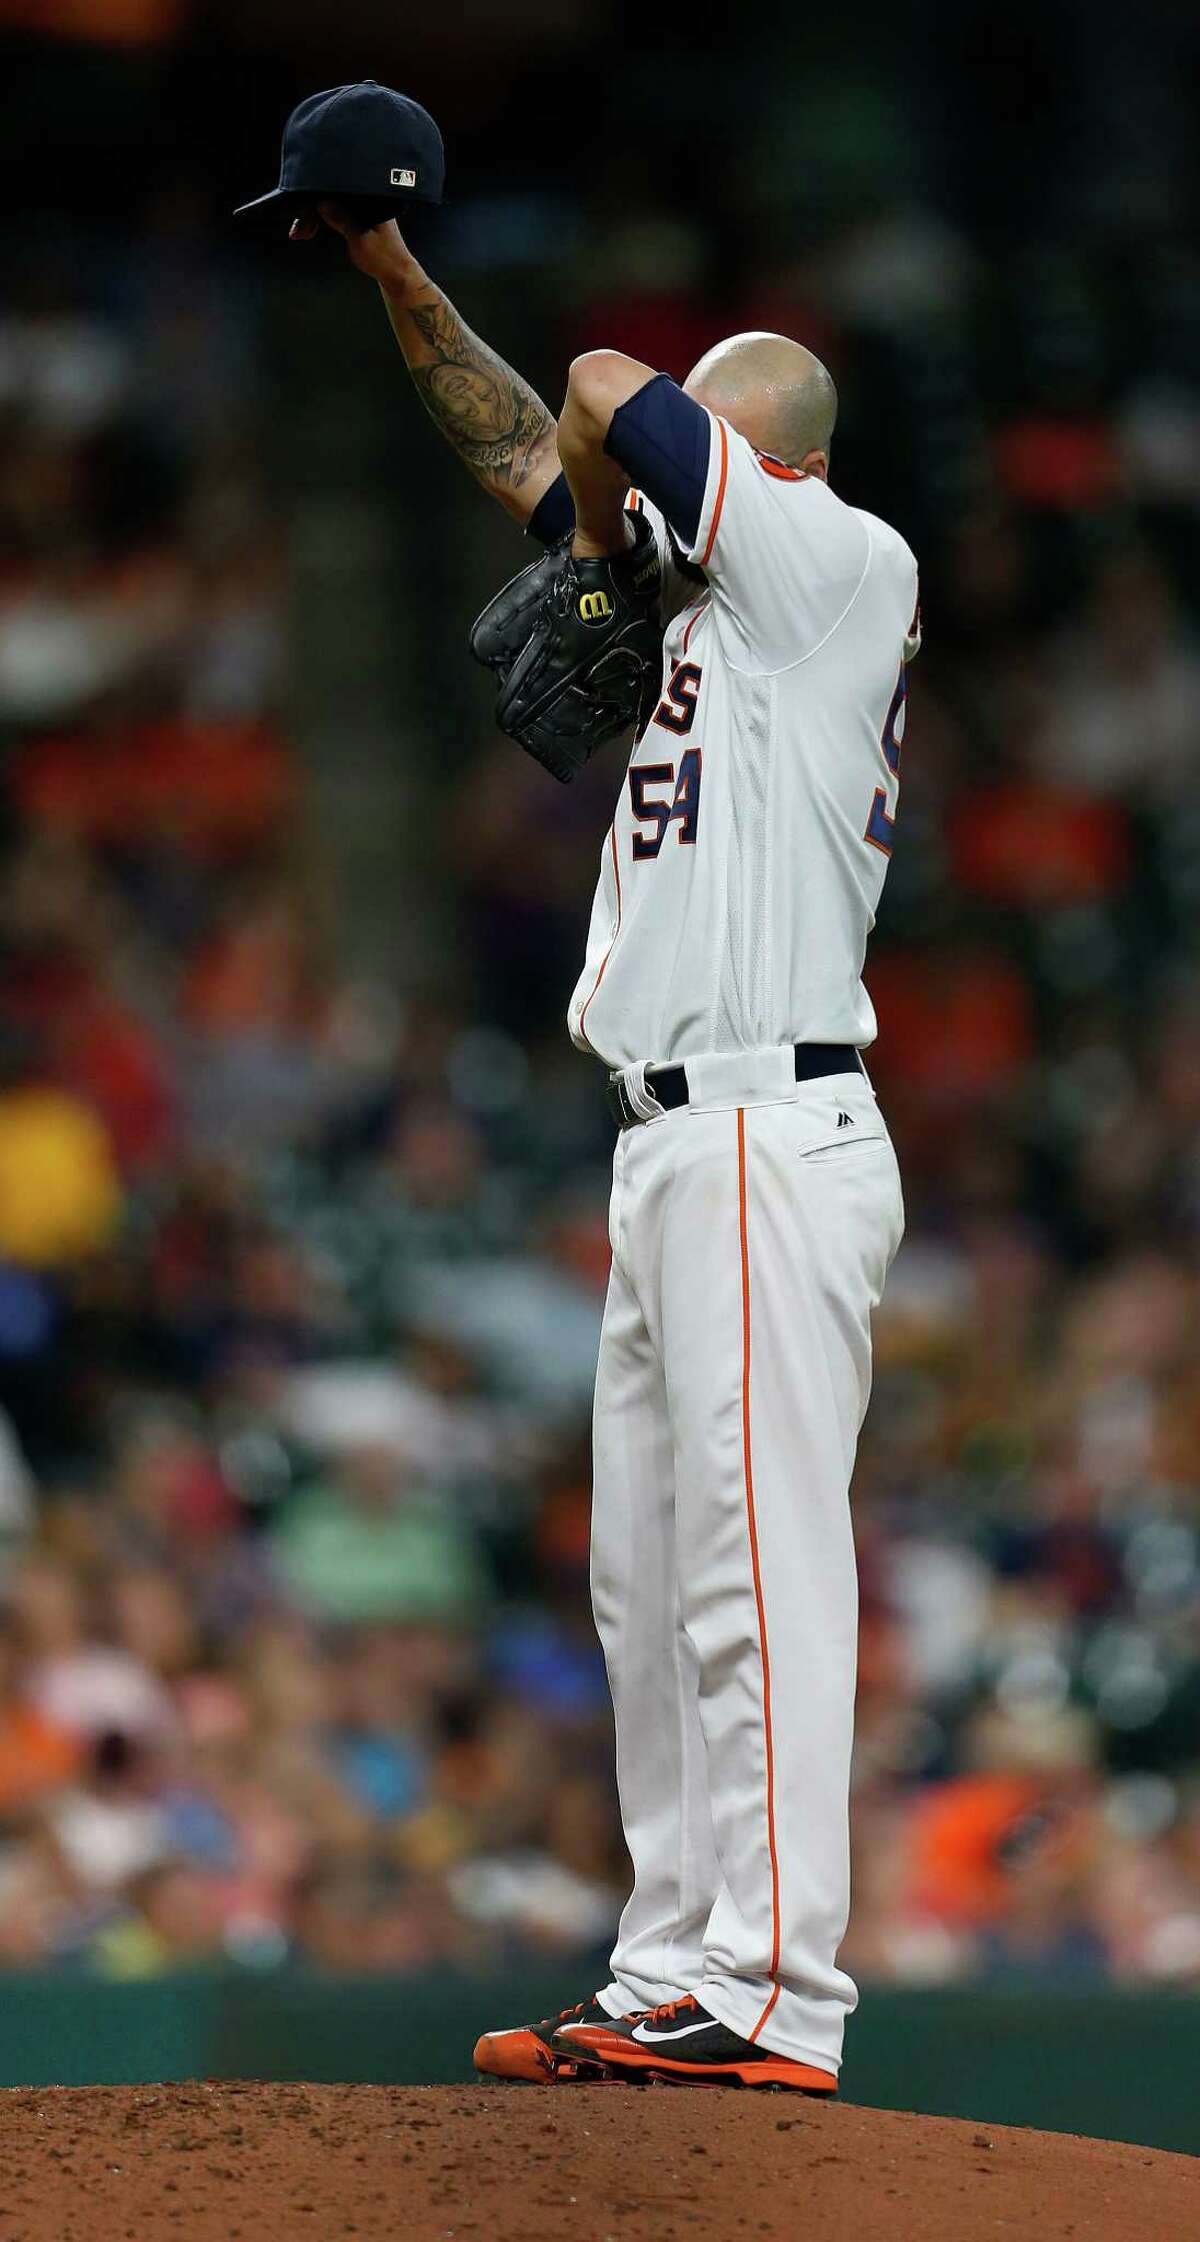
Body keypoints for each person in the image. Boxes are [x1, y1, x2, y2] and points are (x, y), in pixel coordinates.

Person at [296, 203, 918, 2093]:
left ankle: (776, 1987)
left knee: (752, 1568)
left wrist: (599, 512)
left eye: (691, 460)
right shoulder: (691, 595)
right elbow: (521, 434)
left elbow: (592, 389)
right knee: (644, 1587)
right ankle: (672, 1964)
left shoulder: (833, 561)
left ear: (759, 458)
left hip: (766, 1120)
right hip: (669, 1140)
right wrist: (388, 264)